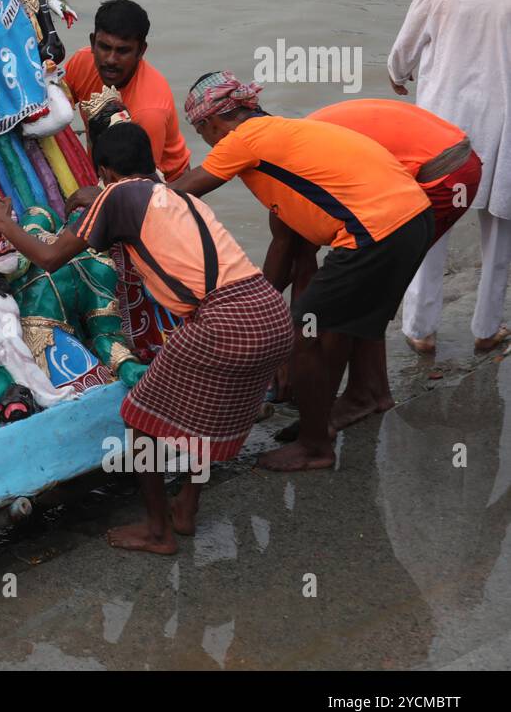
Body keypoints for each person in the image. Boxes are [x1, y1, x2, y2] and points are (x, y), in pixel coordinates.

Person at [0, 122, 291, 554]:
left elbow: (49, 257)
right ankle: (185, 507)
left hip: (223, 322)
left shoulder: (116, 195)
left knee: (140, 419)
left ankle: (158, 530)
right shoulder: (178, 197)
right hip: (270, 313)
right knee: (202, 415)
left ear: (104, 171)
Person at [173, 72, 433, 472]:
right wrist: (257, 302)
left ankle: (315, 447)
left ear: (211, 123)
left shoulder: (243, 137)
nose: (206, 140)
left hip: (374, 232)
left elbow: (179, 192)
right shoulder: (287, 137)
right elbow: (288, 247)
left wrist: (111, 196)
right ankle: (369, 394)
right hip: (415, 219)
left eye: (202, 131)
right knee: (357, 320)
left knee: (304, 334)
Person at [272, 99, 481, 430]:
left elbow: (298, 271)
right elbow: (297, 266)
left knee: (360, 285)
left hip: (439, 174)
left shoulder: (291, 175)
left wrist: (290, 348)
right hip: (457, 161)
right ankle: (373, 391)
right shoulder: (293, 143)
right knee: (369, 285)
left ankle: (359, 396)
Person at [388, 0, 511, 353]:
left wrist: (399, 76)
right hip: (504, 121)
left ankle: (420, 327)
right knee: (499, 226)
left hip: (443, 127)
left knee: (433, 221)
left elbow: (405, 48)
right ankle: (486, 327)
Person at [64, 0, 192, 193]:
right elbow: (53, 108)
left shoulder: (148, 111)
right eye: (104, 47)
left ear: (141, 50)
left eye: (122, 51)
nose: (110, 60)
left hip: (166, 186)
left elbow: (141, 187)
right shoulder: (82, 62)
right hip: (103, 168)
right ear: (92, 42)